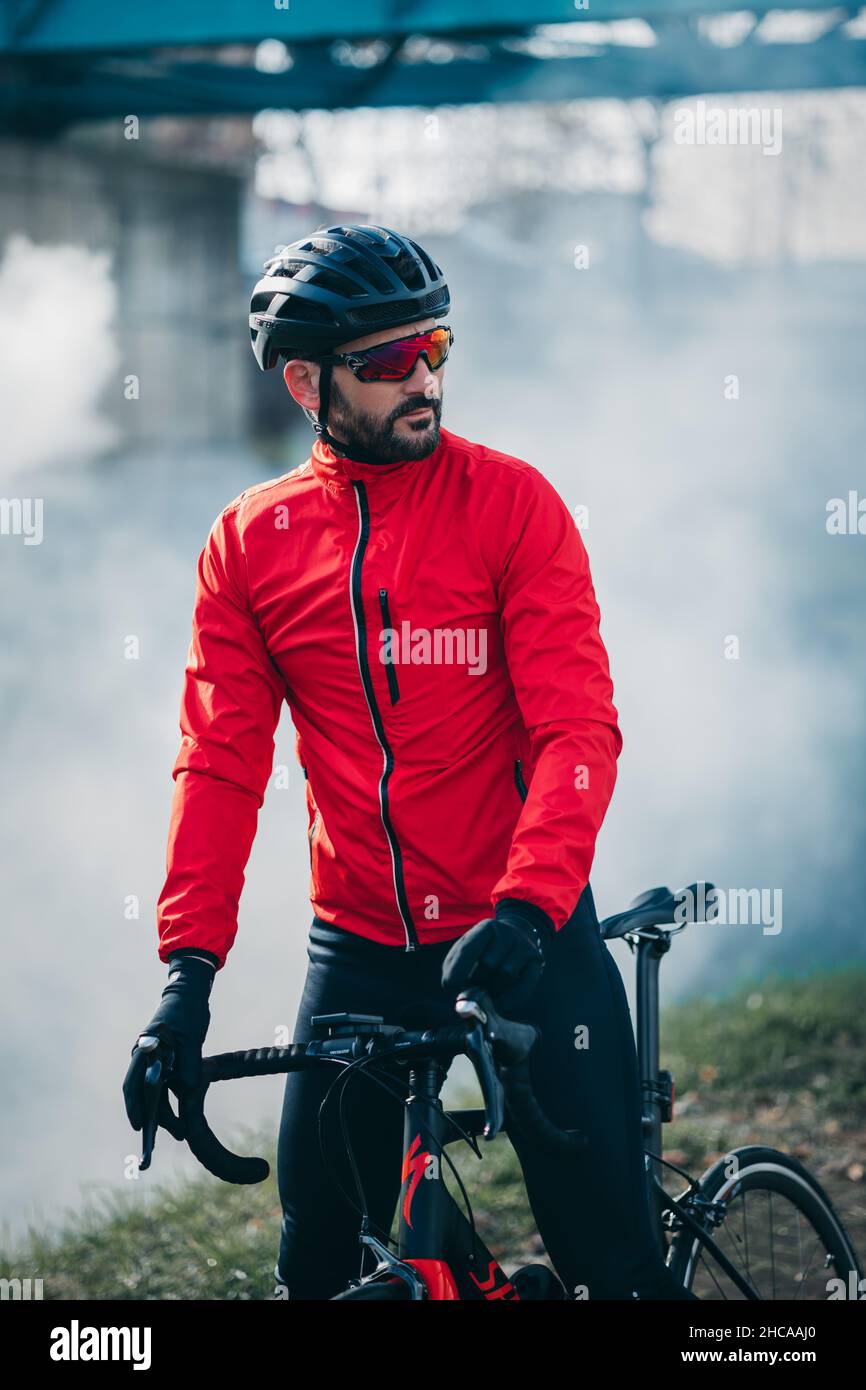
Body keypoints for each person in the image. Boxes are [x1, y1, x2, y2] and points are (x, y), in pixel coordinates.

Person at [124, 223, 697, 1301]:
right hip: (358, 944)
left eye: (434, 346)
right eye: (388, 362)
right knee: (315, 1261)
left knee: (613, 1267)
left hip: (525, 932)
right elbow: (219, 765)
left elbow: (577, 727)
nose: (423, 377)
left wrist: (528, 909)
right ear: (307, 380)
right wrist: (183, 977)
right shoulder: (251, 543)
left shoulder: (511, 504)